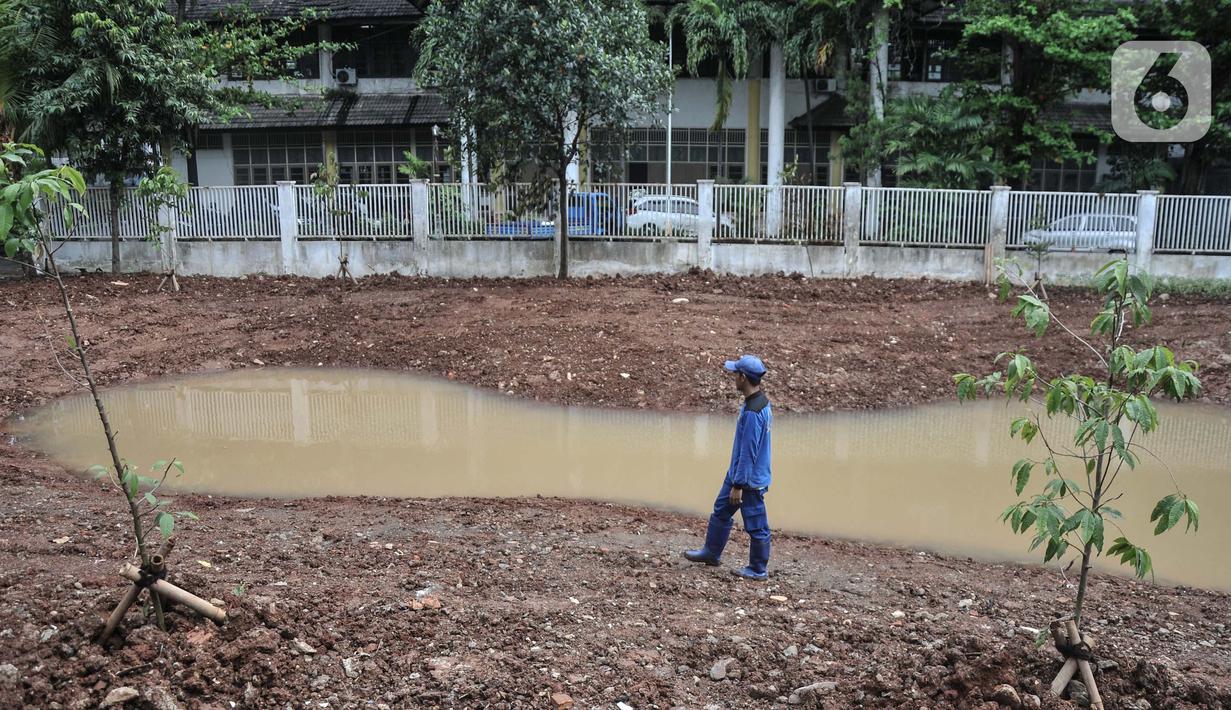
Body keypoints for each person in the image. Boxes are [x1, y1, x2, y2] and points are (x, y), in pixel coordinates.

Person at [683, 354, 773, 580]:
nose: (733, 378)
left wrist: (739, 485)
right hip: (738, 474)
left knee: (756, 524)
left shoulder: (753, 412)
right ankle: (711, 552)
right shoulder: (758, 402)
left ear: (743, 377)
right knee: (721, 510)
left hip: (748, 480)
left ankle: (758, 569)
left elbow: (749, 452)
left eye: (735, 374)